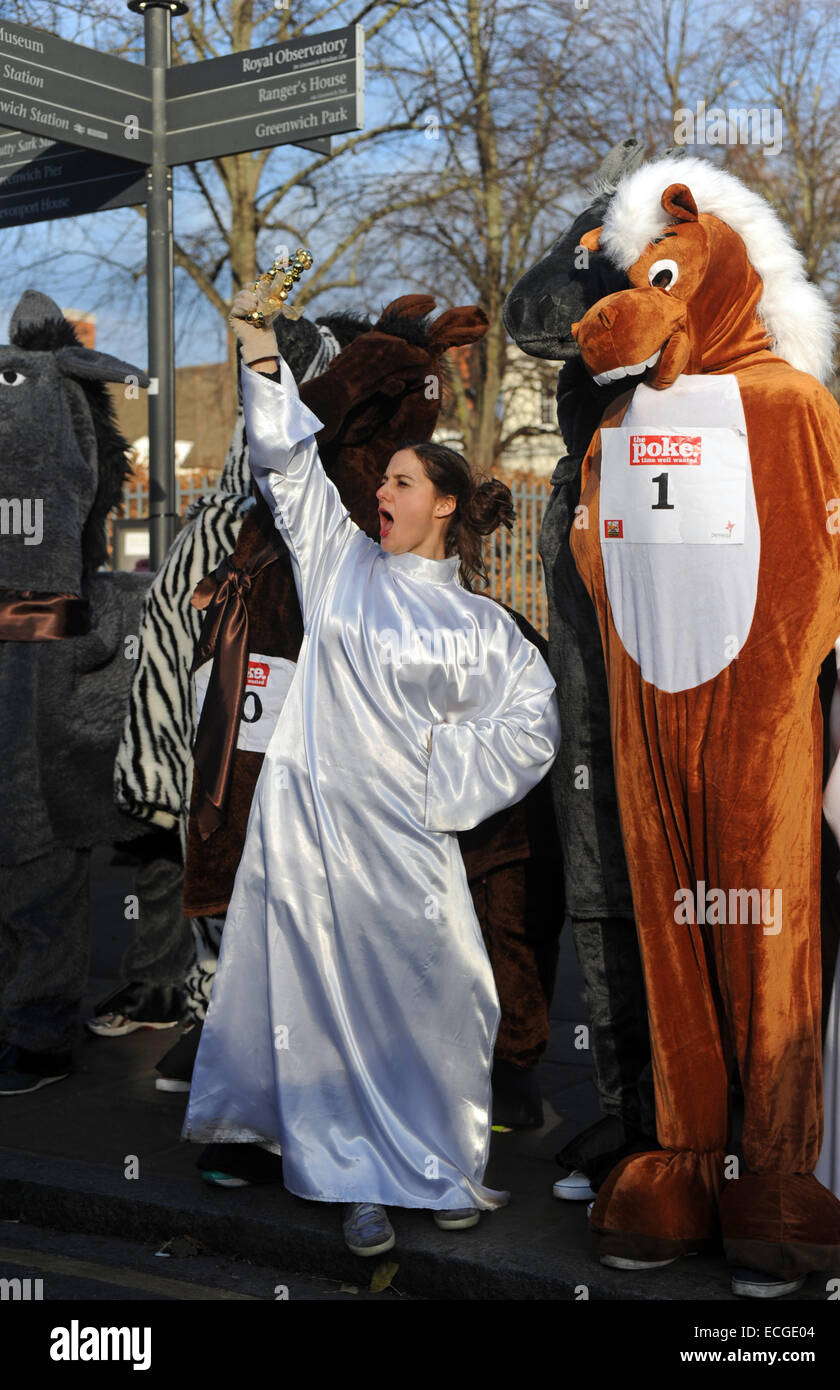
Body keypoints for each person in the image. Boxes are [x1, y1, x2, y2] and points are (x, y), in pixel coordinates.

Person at [182, 284, 561, 1256]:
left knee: (444, 1002)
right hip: (312, 850)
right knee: (320, 1012)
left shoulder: (482, 628)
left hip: (414, 854)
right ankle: (348, 1173)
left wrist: (440, 772)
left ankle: (430, 1161)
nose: (380, 494)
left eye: (400, 482)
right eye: (380, 481)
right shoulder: (336, 562)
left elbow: (531, 723)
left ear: (442, 502)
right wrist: (259, 343)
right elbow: (285, 457)